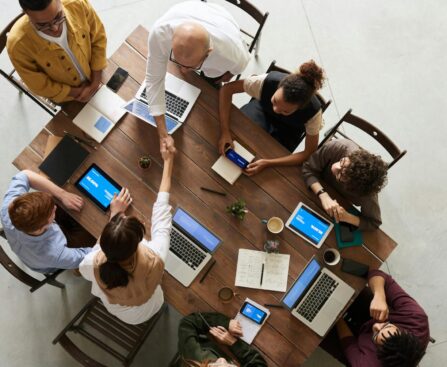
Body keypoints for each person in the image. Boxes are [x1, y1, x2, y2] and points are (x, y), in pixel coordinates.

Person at [79, 141, 174, 324]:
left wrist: (114, 214)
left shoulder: (92, 263)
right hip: (150, 306)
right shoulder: (155, 257)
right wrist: (169, 161)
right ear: (138, 242)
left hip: (123, 314)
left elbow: (90, 263)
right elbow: (162, 213)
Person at [145, 1, 250, 154]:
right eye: (176, 61)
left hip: (223, 23)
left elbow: (236, 69)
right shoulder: (159, 33)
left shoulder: (232, 55)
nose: (182, 71)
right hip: (191, 9)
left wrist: (227, 75)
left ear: (209, 52)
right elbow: (154, 80)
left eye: (190, 67)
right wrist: (163, 134)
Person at [218, 60, 325, 176]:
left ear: (300, 108)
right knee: (239, 135)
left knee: (268, 156)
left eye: (285, 110)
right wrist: (225, 131)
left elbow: (309, 152)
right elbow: (226, 90)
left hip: (289, 130)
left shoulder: (313, 113)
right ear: (279, 86)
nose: (276, 109)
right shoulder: (266, 82)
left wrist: (268, 163)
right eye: (274, 100)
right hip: (262, 111)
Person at [7, 0, 107, 103]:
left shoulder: (78, 4)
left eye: (58, 17)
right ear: (25, 13)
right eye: (43, 25)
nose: (55, 28)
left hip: (97, 74)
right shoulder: (17, 45)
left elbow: (98, 38)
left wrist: (95, 82)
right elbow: (39, 85)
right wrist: (77, 92)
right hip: (70, 98)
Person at [0, 170, 92, 273]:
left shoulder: (9, 208)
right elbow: (92, 257)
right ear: (43, 226)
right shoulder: (55, 254)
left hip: (27, 251)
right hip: (50, 263)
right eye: (52, 211)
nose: (55, 208)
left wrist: (62, 194)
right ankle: (76, 271)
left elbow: (25, 174)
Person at [335, 270, 429, 367]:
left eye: (376, 335)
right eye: (386, 325)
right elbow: (377, 273)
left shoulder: (367, 364)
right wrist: (379, 295)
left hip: (357, 340)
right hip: (372, 310)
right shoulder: (416, 317)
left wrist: (336, 314)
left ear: (378, 352)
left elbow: (348, 342)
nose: (376, 325)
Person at [302, 138, 388, 231]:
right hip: (310, 189)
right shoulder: (339, 146)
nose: (335, 167)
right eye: (342, 162)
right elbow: (308, 168)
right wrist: (323, 195)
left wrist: (346, 217)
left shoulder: (367, 193)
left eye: (341, 174)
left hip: (336, 210)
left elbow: (373, 223)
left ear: (353, 187)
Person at [177, 312, 268, 367]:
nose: (222, 360)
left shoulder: (193, 357)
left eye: (213, 366)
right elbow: (258, 364)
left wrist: (225, 323)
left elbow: (187, 323)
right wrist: (233, 343)